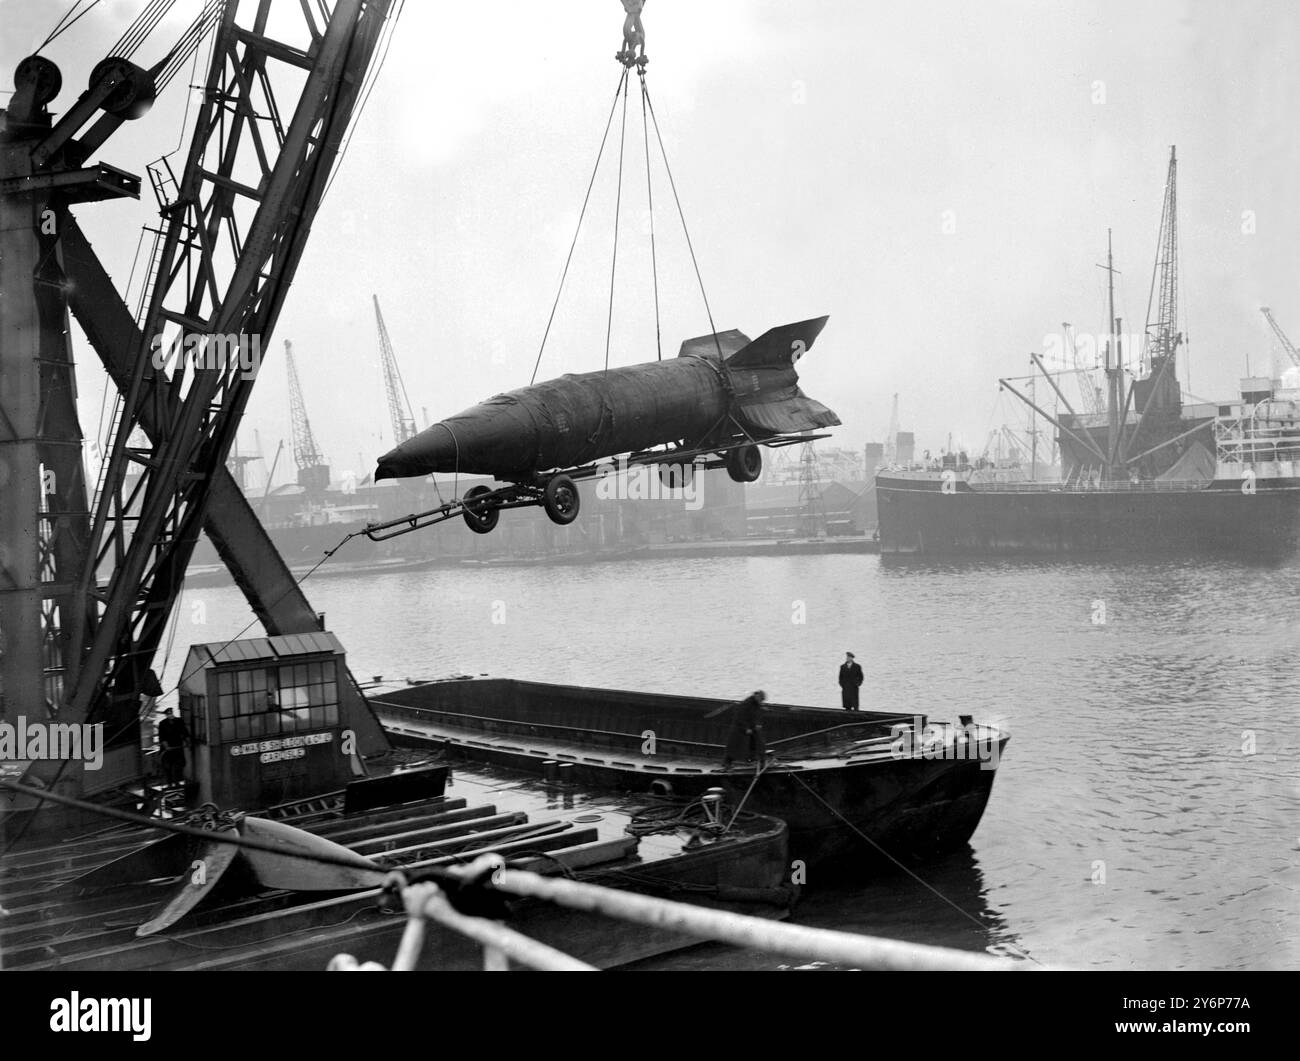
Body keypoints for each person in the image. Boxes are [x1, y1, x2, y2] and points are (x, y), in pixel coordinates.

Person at [705, 690, 771, 770]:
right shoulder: (746, 704)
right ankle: (727, 763)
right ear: (757, 697)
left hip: (752, 728)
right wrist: (746, 728)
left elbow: (756, 715)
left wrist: (758, 724)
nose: (761, 702)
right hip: (740, 729)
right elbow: (740, 717)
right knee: (735, 747)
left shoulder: (756, 704)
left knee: (759, 744)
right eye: (761, 700)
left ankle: (760, 761)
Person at [157, 708, 189, 787]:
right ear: (166, 715)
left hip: (177, 747)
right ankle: (169, 783)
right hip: (168, 750)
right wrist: (166, 747)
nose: (170, 715)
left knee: (178, 765)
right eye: (168, 713)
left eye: (171, 713)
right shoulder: (162, 723)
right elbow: (162, 737)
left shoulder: (179, 721)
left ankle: (177, 782)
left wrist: (187, 742)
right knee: (168, 767)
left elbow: (184, 732)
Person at [619, 0, 646, 64]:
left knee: (627, 28)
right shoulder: (640, 37)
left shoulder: (638, 38)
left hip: (634, 7)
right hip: (634, 8)